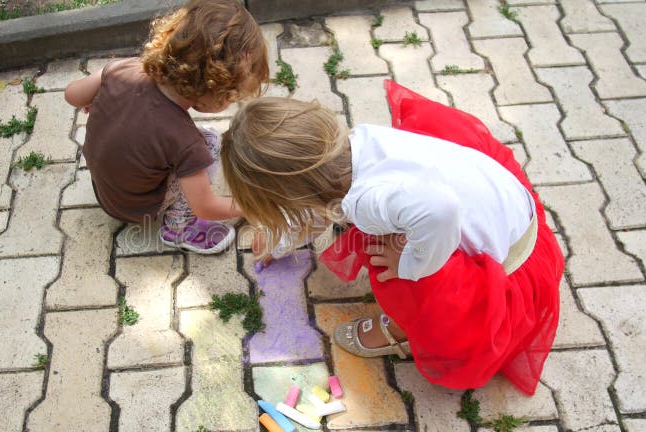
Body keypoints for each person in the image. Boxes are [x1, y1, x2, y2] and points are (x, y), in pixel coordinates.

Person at [221, 82, 563, 395]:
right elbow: (317, 203)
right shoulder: (359, 146)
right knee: (397, 236)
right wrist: (283, 239)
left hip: (508, 266)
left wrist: (409, 265)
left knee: (392, 261)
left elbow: (440, 210)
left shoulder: (366, 201)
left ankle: (403, 330)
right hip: (509, 203)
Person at [64, 0, 268, 254]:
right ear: (211, 89)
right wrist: (251, 206)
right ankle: (179, 229)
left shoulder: (122, 68)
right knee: (211, 143)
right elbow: (205, 206)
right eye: (230, 96)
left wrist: (96, 99)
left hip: (102, 187)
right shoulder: (185, 141)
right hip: (136, 208)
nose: (230, 103)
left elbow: (72, 95)